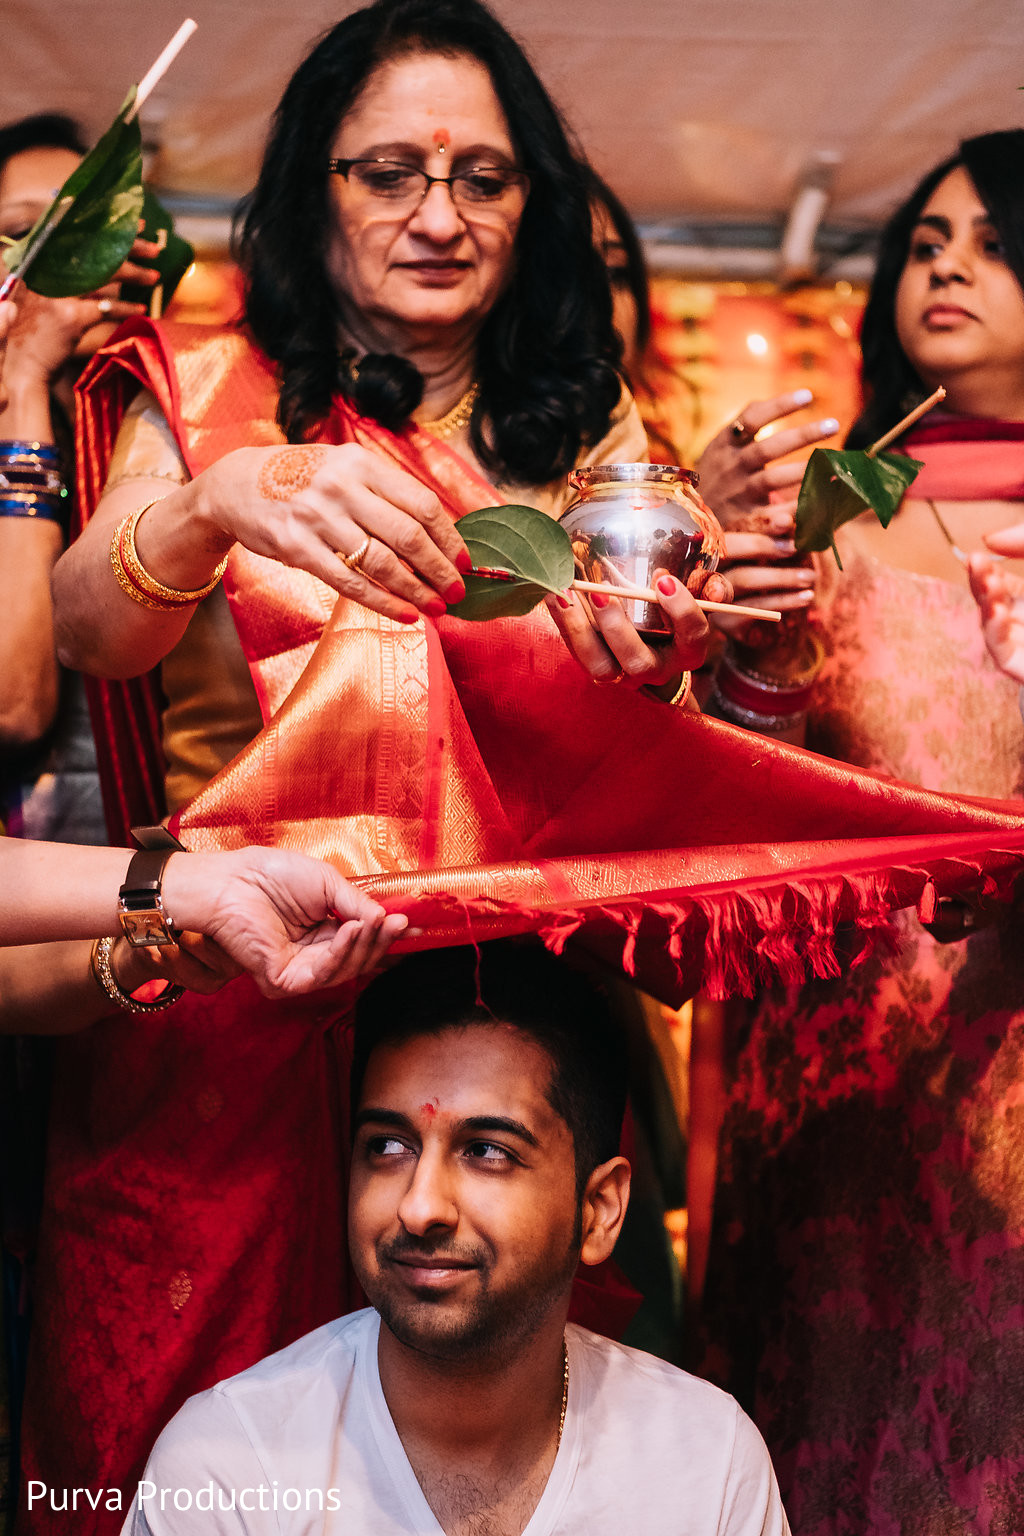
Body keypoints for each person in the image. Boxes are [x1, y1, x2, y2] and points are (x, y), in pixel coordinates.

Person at [25, 3, 738, 1529]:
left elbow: (628, 717)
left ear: (532, 203)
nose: (439, 212)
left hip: (497, 1034)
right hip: (217, 997)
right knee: (169, 1456)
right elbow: (90, 633)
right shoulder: (214, 391)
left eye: (484, 176)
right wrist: (220, 504)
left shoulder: (584, 421)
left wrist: (664, 658)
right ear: (314, 187)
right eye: (390, 171)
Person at [700, 128, 1024, 1536]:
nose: (950, 262)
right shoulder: (818, 510)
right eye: (931, 241)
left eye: (996, 241)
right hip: (844, 1073)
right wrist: (733, 627)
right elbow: (726, 785)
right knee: (831, 1432)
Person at [117, 941, 790, 1536]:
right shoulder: (229, 1470)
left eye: (487, 1152)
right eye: (387, 1146)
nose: (419, 1206)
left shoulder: (704, 1463)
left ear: (599, 1211)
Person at [0, 113, 160, 842]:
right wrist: (26, 381)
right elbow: (14, 705)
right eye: (21, 230)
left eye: (86, 224)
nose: (60, 255)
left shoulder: (167, 419)